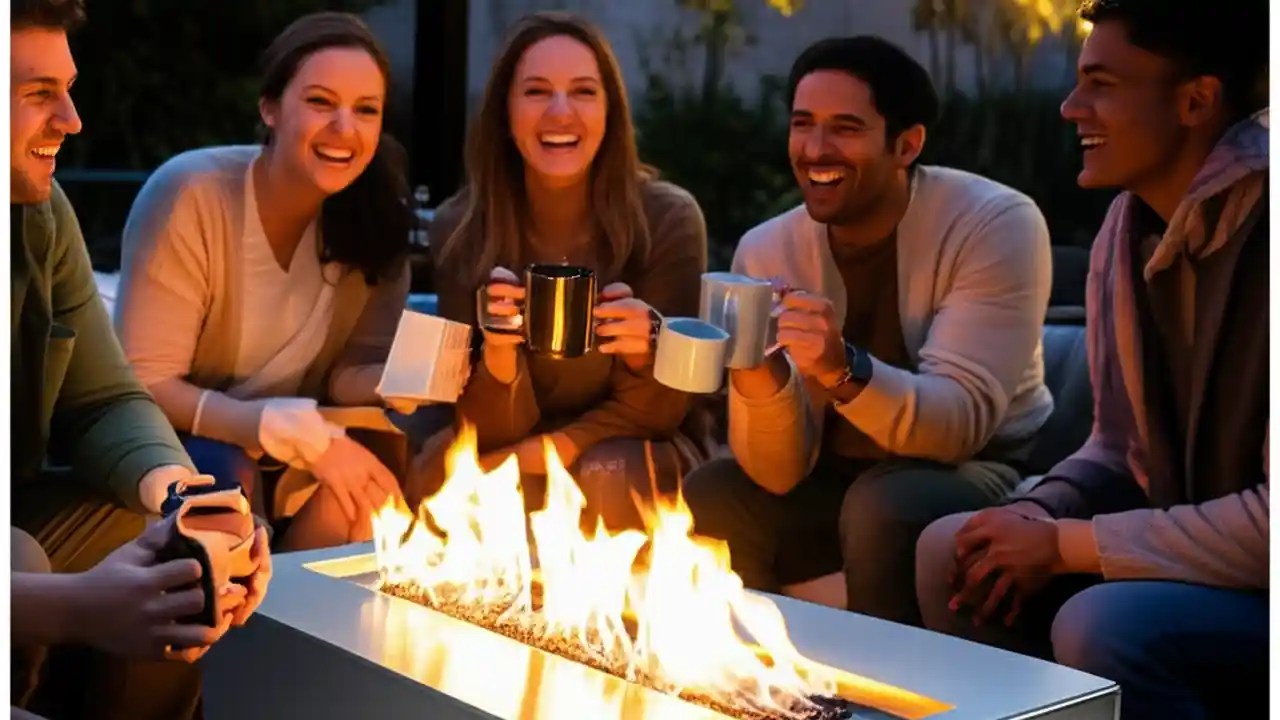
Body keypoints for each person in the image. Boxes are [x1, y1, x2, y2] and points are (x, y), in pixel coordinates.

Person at [915, 2, 1269, 717]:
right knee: (953, 548)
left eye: (1102, 83)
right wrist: (1033, 516)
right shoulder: (1127, 229)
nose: (1072, 107)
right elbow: (1117, 449)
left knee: (1099, 625)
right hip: (1194, 553)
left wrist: (1065, 544)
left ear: (1196, 100)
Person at [681, 36, 1053, 626]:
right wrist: (759, 377)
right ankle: (756, 684)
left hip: (980, 467)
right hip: (836, 474)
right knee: (716, 492)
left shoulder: (995, 222)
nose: (815, 148)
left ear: (907, 144)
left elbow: (959, 426)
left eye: (845, 128)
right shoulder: (767, 248)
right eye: (803, 124)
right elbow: (775, 473)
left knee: (884, 504)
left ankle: (890, 701)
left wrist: (838, 367)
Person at [10, 1, 271, 718]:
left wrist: (187, 502)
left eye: (68, 89)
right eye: (38, 94)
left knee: (180, 557)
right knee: (20, 558)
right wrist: (74, 607)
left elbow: (102, 398)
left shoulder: (37, 216)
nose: (71, 118)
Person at [115, 12, 412, 551]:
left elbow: (349, 376)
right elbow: (143, 381)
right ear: (270, 108)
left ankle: (305, 622)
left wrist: (408, 380)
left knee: (374, 477)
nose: (345, 128)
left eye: (365, 110)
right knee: (219, 477)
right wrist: (269, 429)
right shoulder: (191, 195)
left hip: (296, 451)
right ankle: (227, 626)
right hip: (185, 447)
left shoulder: (377, 224)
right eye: (321, 102)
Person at [422, 11, 711, 527]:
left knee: (610, 471)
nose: (561, 112)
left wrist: (644, 357)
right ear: (505, 114)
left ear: (611, 112)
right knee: (431, 475)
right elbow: (475, 426)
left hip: (634, 451)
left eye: (583, 91)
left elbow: (662, 412)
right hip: (499, 447)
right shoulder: (461, 228)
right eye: (536, 91)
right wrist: (501, 356)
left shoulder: (668, 217)